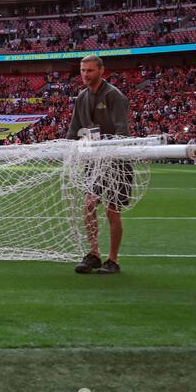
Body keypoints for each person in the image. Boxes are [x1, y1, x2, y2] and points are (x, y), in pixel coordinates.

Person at [67, 55, 131, 275]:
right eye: (83, 70)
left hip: (116, 161)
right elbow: (73, 131)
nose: (85, 74)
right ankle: (94, 254)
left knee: (113, 211)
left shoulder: (114, 95)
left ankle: (113, 260)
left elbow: (122, 132)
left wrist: (107, 148)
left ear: (101, 71)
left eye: (90, 71)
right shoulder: (81, 97)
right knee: (89, 204)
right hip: (94, 161)